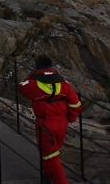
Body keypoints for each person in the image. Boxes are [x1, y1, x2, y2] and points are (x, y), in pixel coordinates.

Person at [18, 55, 83, 184]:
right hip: (62, 122)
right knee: (54, 153)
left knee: (50, 155)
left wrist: (33, 75)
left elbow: (21, 87)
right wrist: (70, 118)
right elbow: (76, 104)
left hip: (45, 123)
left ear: (37, 67)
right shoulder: (64, 83)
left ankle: (61, 181)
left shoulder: (33, 83)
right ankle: (48, 177)